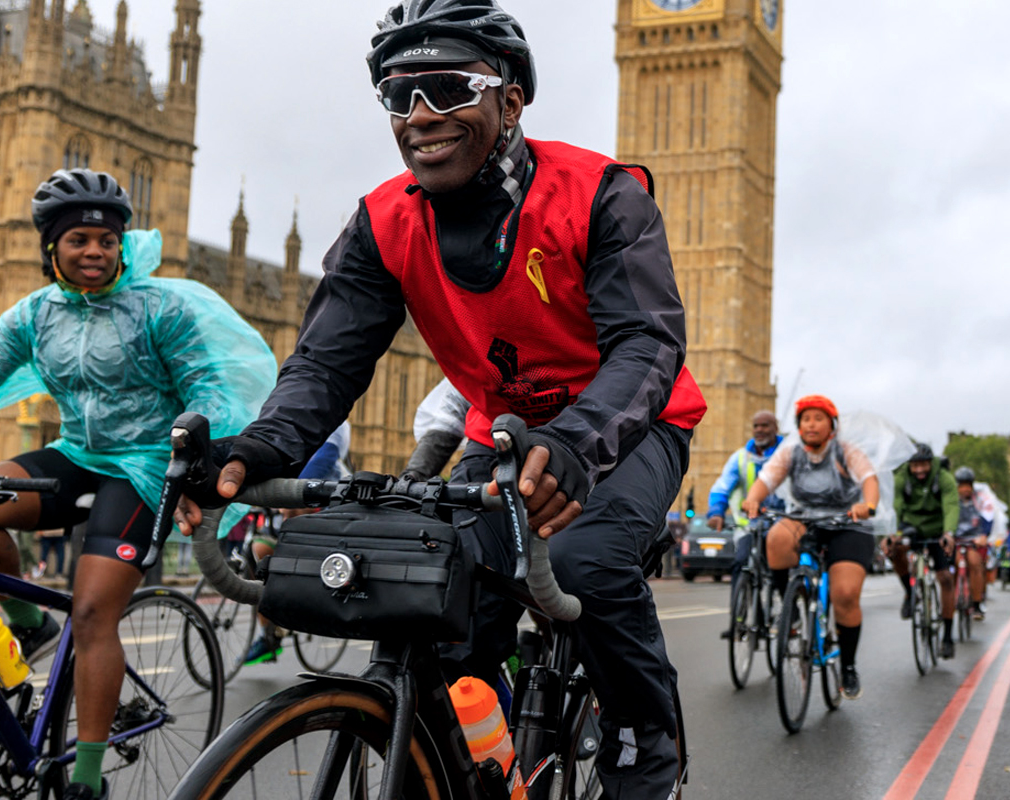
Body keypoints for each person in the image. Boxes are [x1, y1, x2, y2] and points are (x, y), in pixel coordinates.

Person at [176, 3, 707, 794]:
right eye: (400, 96)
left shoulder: (600, 193)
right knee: (430, 600)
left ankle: (643, 741)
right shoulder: (383, 222)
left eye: (449, 88)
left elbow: (647, 344)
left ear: (511, 101)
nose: (422, 115)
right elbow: (324, 363)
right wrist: (259, 449)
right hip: (501, 440)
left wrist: (576, 441)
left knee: (586, 562)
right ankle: (480, 763)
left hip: (628, 430)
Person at [0, 168, 276, 800]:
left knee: (94, 610)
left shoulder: (159, 308)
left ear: (122, 245)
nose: (95, 252)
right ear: (52, 248)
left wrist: (198, 460)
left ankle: (86, 777)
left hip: (147, 466)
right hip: (79, 451)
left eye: (106, 241)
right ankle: (30, 627)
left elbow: (207, 388)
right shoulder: (33, 315)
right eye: (79, 240)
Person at [741, 395, 879, 700]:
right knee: (775, 539)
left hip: (848, 523)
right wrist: (753, 499)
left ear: (832, 425)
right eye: (805, 419)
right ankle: (790, 610)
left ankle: (848, 666)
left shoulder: (845, 450)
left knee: (844, 595)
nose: (811, 424)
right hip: (806, 518)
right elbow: (766, 480)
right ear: (799, 426)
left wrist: (866, 505)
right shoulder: (790, 451)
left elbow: (869, 480)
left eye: (818, 418)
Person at [240, 421, 352, 666]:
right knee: (256, 552)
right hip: (287, 498)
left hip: (322, 500)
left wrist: (295, 492)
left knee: (297, 537)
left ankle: (300, 604)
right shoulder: (278, 415)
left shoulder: (333, 423)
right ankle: (268, 635)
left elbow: (323, 459)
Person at [705, 410, 785, 627]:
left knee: (781, 567)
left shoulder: (788, 452)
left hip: (783, 523)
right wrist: (716, 512)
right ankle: (739, 620)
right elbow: (722, 487)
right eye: (756, 426)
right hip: (750, 525)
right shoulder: (740, 457)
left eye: (765, 425)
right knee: (741, 563)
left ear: (775, 428)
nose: (760, 430)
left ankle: (790, 613)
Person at [887, 444, 959, 660]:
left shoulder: (943, 477)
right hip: (912, 529)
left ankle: (947, 636)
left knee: (946, 579)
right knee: (895, 550)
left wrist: (949, 532)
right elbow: (896, 505)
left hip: (937, 532)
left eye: (923, 465)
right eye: (915, 465)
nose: (919, 470)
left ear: (930, 462)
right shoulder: (901, 478)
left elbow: (951, 505)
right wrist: (892, 533)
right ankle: (910, 594)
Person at [953, 466, 988, 620]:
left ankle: (977, 603)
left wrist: (984, 535)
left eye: (968, 485)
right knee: (951, 565)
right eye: (962, 485)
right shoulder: (951, 499)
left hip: (974, 540)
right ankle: (952, 598)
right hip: (954, 539)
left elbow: (989, 516)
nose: (965, 489)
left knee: (975, 563)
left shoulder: (980, 498)